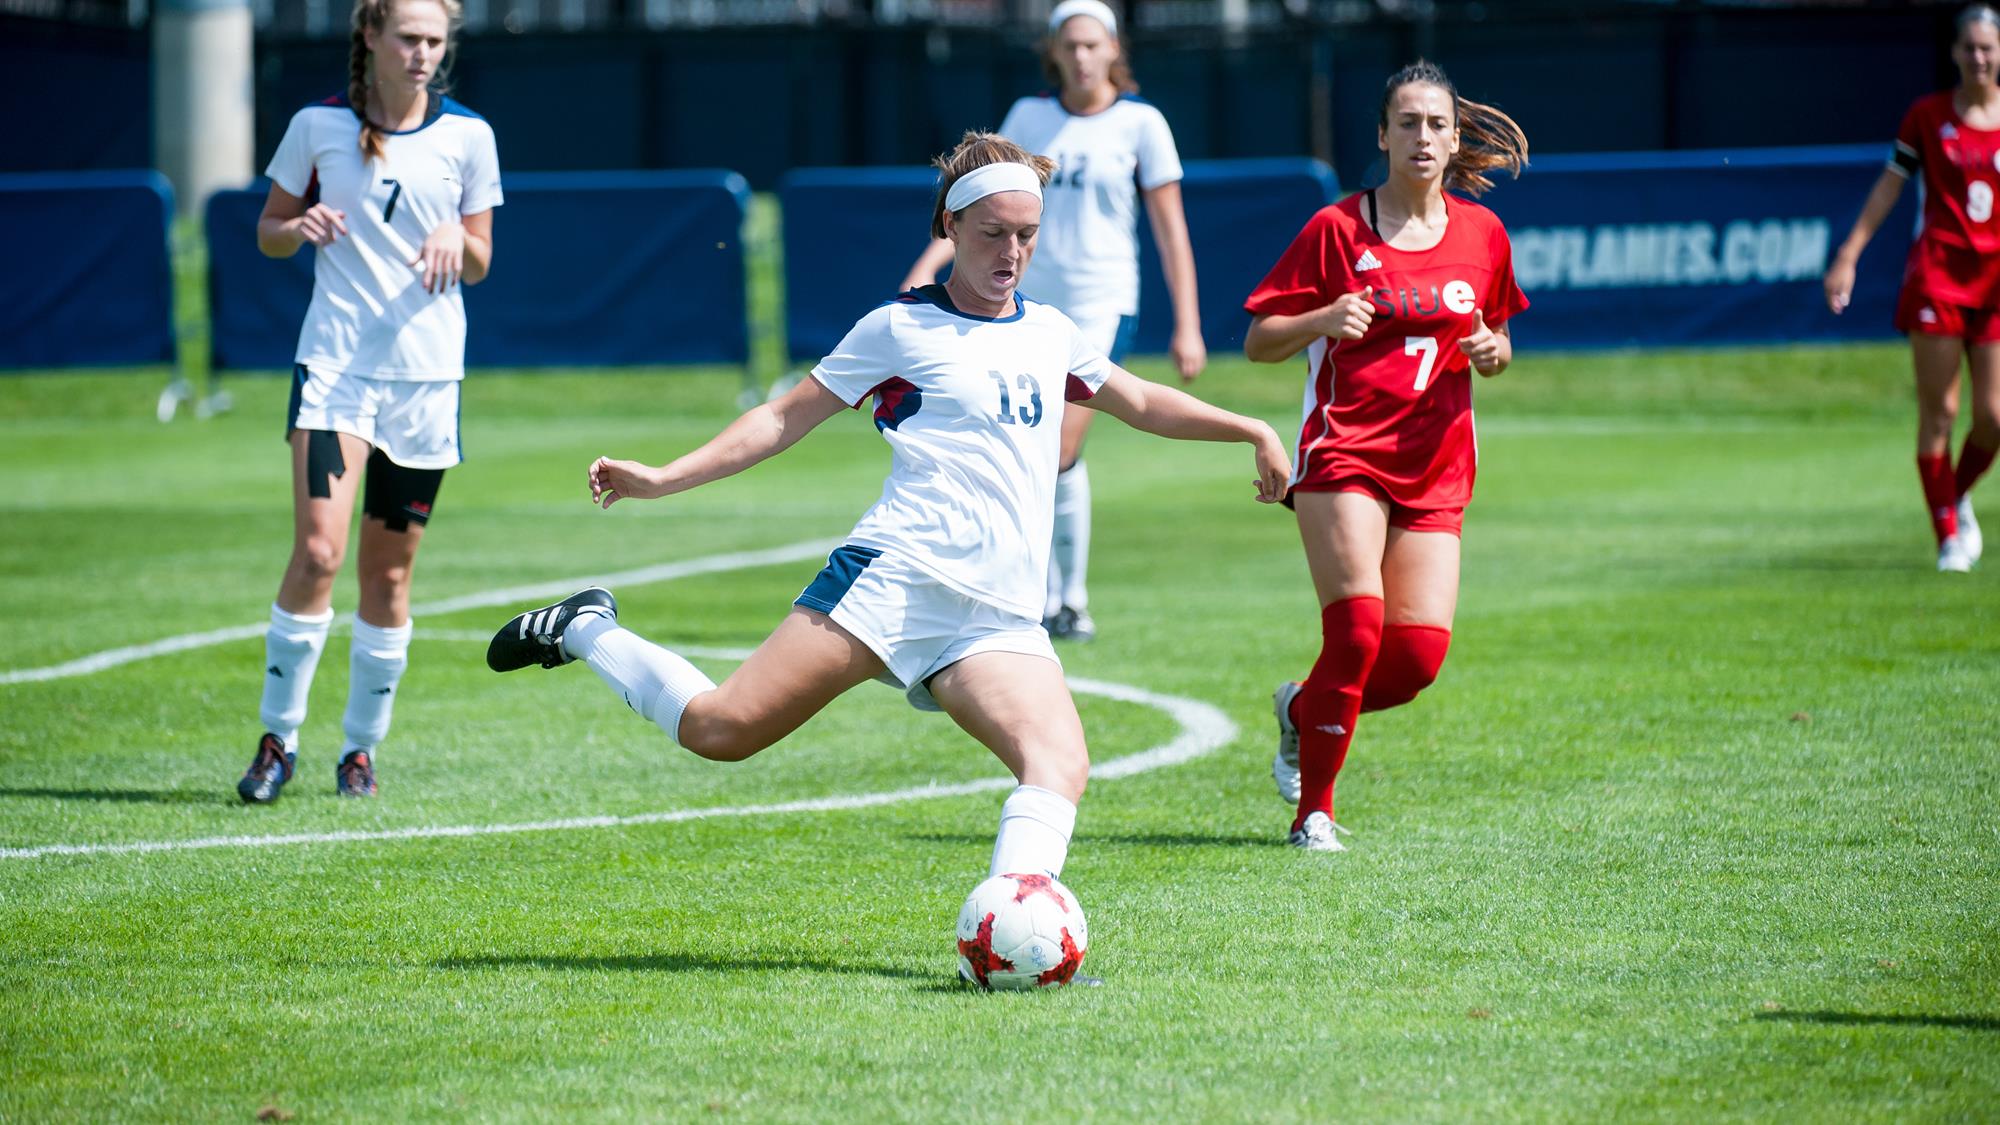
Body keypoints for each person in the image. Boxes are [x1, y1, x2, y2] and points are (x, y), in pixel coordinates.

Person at [488, 133, 1288, 911]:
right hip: (897, 577)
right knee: (720, 730)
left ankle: (1008, 927)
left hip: (998, 612)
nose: (1011, 253)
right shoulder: (898, 327)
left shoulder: (1051, 330)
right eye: (992, 234)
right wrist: (661, 478)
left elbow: (1140, 400)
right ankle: (587, 628)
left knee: (1057, 762)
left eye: (1026, 236)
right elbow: (778, 420)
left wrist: (1250, 429)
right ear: (949, 228)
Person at [1243, 61, 1529, 851]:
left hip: (1437, 462)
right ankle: (1314, 817)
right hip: (1346, 454)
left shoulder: (1483, 234)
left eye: (1437, 124)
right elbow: (1260, 339)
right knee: (1360, 630)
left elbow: (1499, 337)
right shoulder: (1337, 229)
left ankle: (1302, 710)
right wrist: (1322, 318)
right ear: (1383, 135)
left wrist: (1493, 352)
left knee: (1415, 659)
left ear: (1455, 135)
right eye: (1408, 123)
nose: (1424, 137)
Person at [238, 0, 500, 802]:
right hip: (333, 372)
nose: (423, 53)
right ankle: (278, 740)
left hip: (424, 384)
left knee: (387, 578)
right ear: (372, 38)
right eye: (409, 38)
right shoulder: (316, 126)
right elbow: (268, 229)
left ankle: (360, 751)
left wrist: (462, 241)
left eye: (435, 40)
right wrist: (299, 224)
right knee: (319, 552)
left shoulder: (469, 137)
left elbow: (483, 258)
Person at [901, 0, 1205, 642]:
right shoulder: (1031, 117)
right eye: (1071, 46)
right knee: (1039, 443)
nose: (1082, 57)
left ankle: (1059, 597)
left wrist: (1188, 323)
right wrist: (929, 262)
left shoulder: (1141, 123)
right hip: (1025, 303)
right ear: (1054, 52)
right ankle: (1052, 598)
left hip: (1101, 303)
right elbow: (976, 206)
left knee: (1060, 445)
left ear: (1114, 51)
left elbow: (1171, 230)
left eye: (1094, 45)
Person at [1825, 3, 2000, 573]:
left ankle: (1954, 494)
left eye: (1988, 47)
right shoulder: (1926, 116)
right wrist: (1848, 256)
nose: (1979, 56)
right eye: (1969, 46)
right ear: (1954, 52)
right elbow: (1888, 188)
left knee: (1993, 418)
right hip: (1938, 279)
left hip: (1994, 284)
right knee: (1941, 412)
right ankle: (1948, 536)